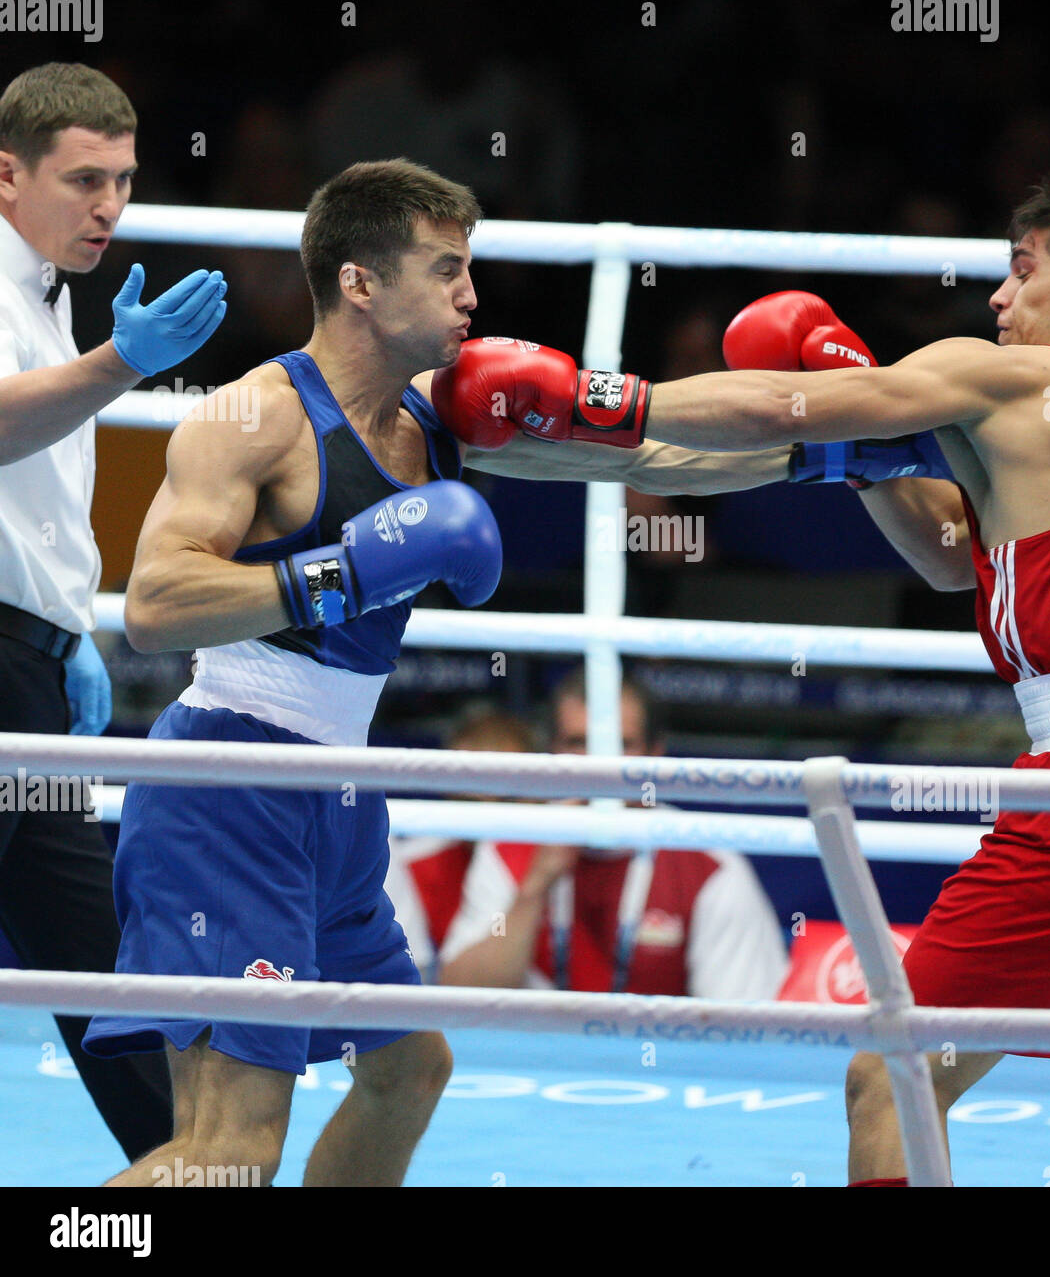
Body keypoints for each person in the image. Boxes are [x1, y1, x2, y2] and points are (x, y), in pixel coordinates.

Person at [432, 171, 1050, 1188]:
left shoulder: (1016, 382)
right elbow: (946, 554)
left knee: (891, 1071)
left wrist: (599, 401)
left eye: (1021, 273)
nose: (997, 299)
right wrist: (861, 456)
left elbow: (780, 406)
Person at [84, 157, 790, 1187]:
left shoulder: (444, 418)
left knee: (409, 1069)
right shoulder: (258, 415)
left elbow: (649, 457)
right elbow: (152, 605)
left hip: (334, 790)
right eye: (445, 268)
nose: (471, 294)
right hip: (229, 785)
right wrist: (338, 574)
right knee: (229, 1157)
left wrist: (838, 446)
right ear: (360, 280)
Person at [0, 61, 227, 1163]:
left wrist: (68, 625)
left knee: (90, 950)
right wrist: (118, 364)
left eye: (125, 181)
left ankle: (188, 1177)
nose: (110, 207)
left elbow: (30, 502)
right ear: (8, 174)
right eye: (85, 179)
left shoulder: (49, 289)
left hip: (28, 660)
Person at [439, 672, 788, 999]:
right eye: (579, 743)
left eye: (621, 744)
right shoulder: (508, 847)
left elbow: (742, 1034)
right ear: (553, 753)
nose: (599, 764)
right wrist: (534, 888)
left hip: (657, 1063)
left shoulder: (707, 866)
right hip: (535, 1063)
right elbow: (460, 997)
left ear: (655, 755)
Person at [384, 706, 538, 981]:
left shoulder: (558, 858)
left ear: (535, 795)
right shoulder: (412, 865)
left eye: (506, 801)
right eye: (472, 803)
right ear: (450, 794)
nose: (489, 820)